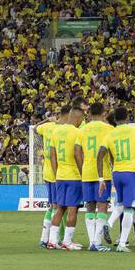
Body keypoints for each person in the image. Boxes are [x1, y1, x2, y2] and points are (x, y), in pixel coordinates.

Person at [101, 107, 135, 252]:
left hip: (117, 173)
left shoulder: (110, 134)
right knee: (131, 207)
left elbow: (102, 153)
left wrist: (101, 177)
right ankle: (123, 243)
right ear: (128, 118)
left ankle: (108, 223)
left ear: (115, 120)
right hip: (132, 173)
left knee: (121, 204)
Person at [76, 103, 115, 251]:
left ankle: (92, 241)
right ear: (104, 112)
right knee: (102, 205)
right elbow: (111, 152)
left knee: (90, 207)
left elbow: (77, 152)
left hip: (86, 172)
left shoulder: (83, 130)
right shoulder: (109, 129)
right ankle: (97, 243)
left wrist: (82, 168)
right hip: (103, 173)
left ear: (90, 113)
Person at [46, 104, 84, 250]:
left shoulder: (56, 132)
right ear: (77, 117)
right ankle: (67, 242)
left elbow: (52, 156)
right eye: (81, 119)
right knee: (73, 208)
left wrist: (56, 174)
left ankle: (52, 241)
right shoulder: (77, 133)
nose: (81, 122)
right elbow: (77, 153)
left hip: (60, 176)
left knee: (60, 209)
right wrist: (82, 173)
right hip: (74, 176)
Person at [35, 109, 62, 248]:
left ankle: (44, 238)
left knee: (52, 206)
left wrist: (46, 120)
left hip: (47, 171)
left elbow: (35, 128)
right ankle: (53, 239)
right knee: (58, 207)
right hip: (59, 171)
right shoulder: (62, 129)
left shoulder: (46, 127)